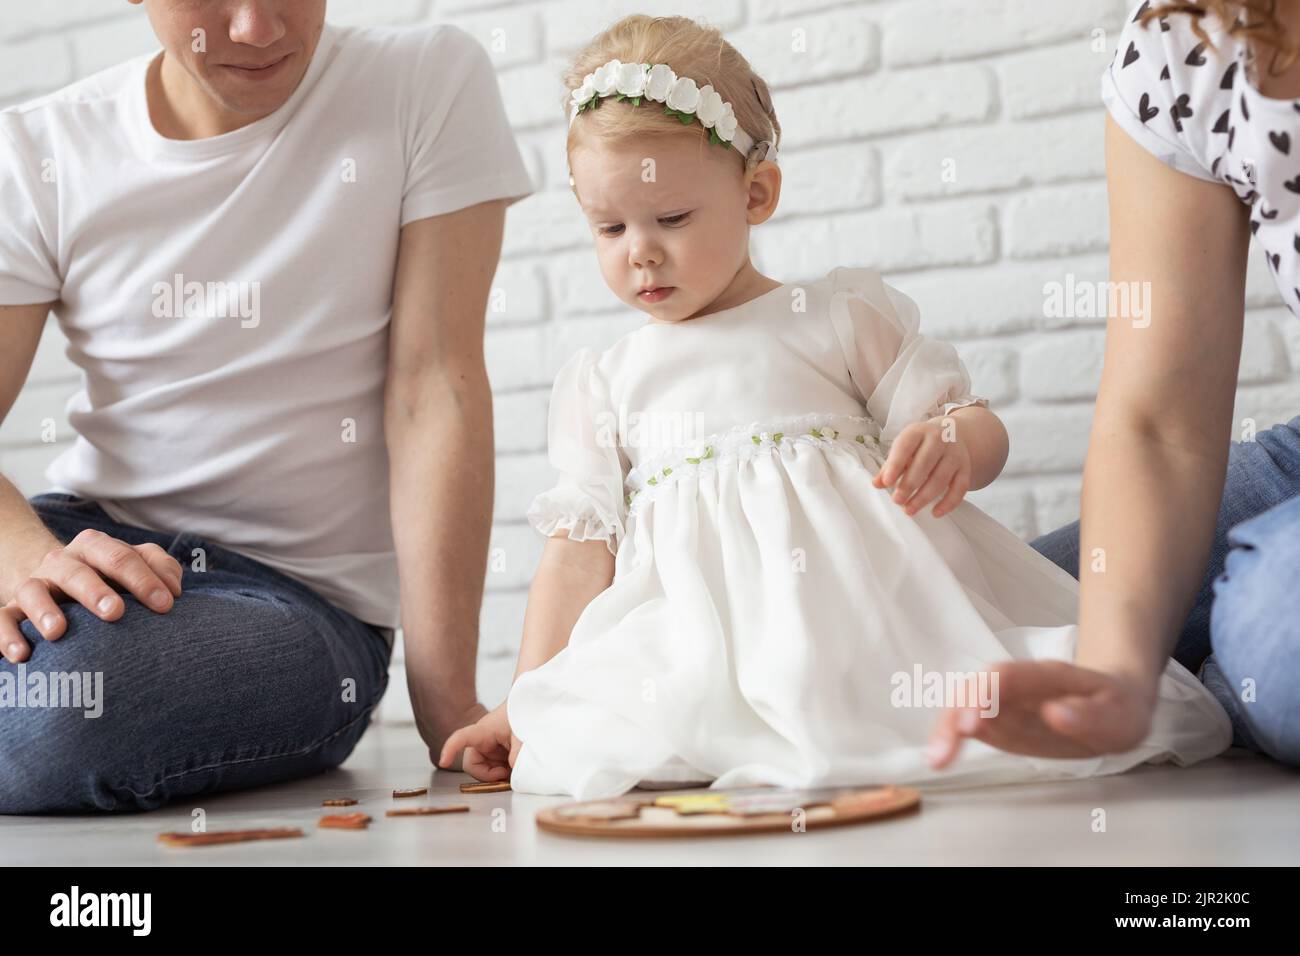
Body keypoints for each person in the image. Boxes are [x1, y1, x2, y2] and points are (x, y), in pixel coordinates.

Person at [437, 14, 1233, 801]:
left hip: (869, 630)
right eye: (608, 226)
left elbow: (977, 425)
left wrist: (952, 442)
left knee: (937, 693)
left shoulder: (834, 317)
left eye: (671, 219)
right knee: (620, 729)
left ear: (757, 193)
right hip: (695, 647)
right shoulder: (604, 380)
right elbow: (577, 558)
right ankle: (723, 731)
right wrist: (522, 703)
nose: (639, 249)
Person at [0, 0, 534, 812]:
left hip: (297, 608)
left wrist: (447, 705)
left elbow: (436, 386)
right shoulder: (41, 146)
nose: (255, 28)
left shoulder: (423, 82)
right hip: (86, 539)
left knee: (69, 706)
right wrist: (22, 557)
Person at [932, 0, 1300, 772]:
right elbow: (1161, 421)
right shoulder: (1182, 39)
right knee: (990, 615)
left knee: (1276, 629)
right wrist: (1116, 676)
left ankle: (1229, 691)